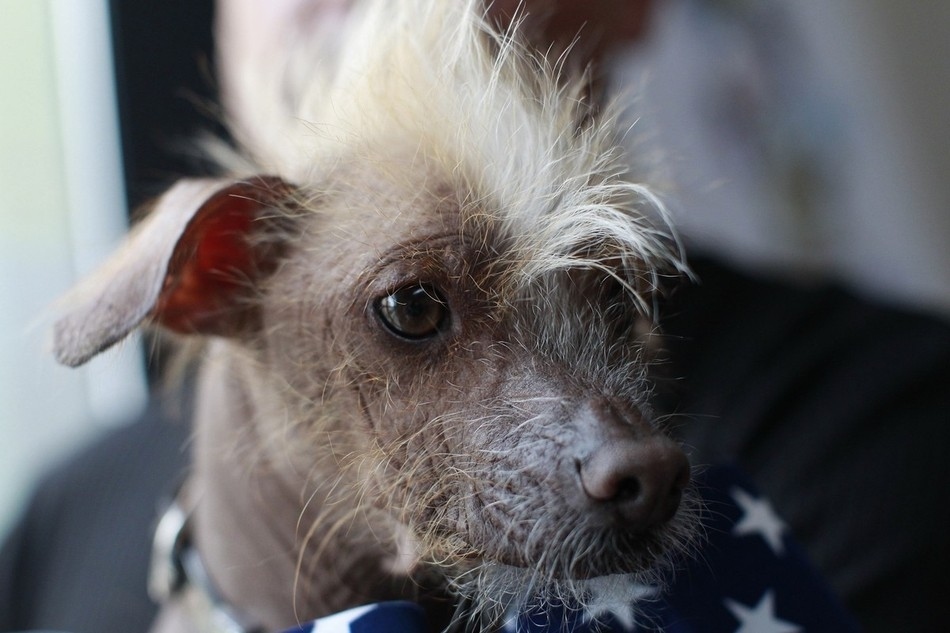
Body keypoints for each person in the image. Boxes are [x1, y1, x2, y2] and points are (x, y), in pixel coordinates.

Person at [2, 1, 948, 631]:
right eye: (410, 309)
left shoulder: (890, 435)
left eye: (613, 299)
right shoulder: (65, 514)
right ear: (209, 270)